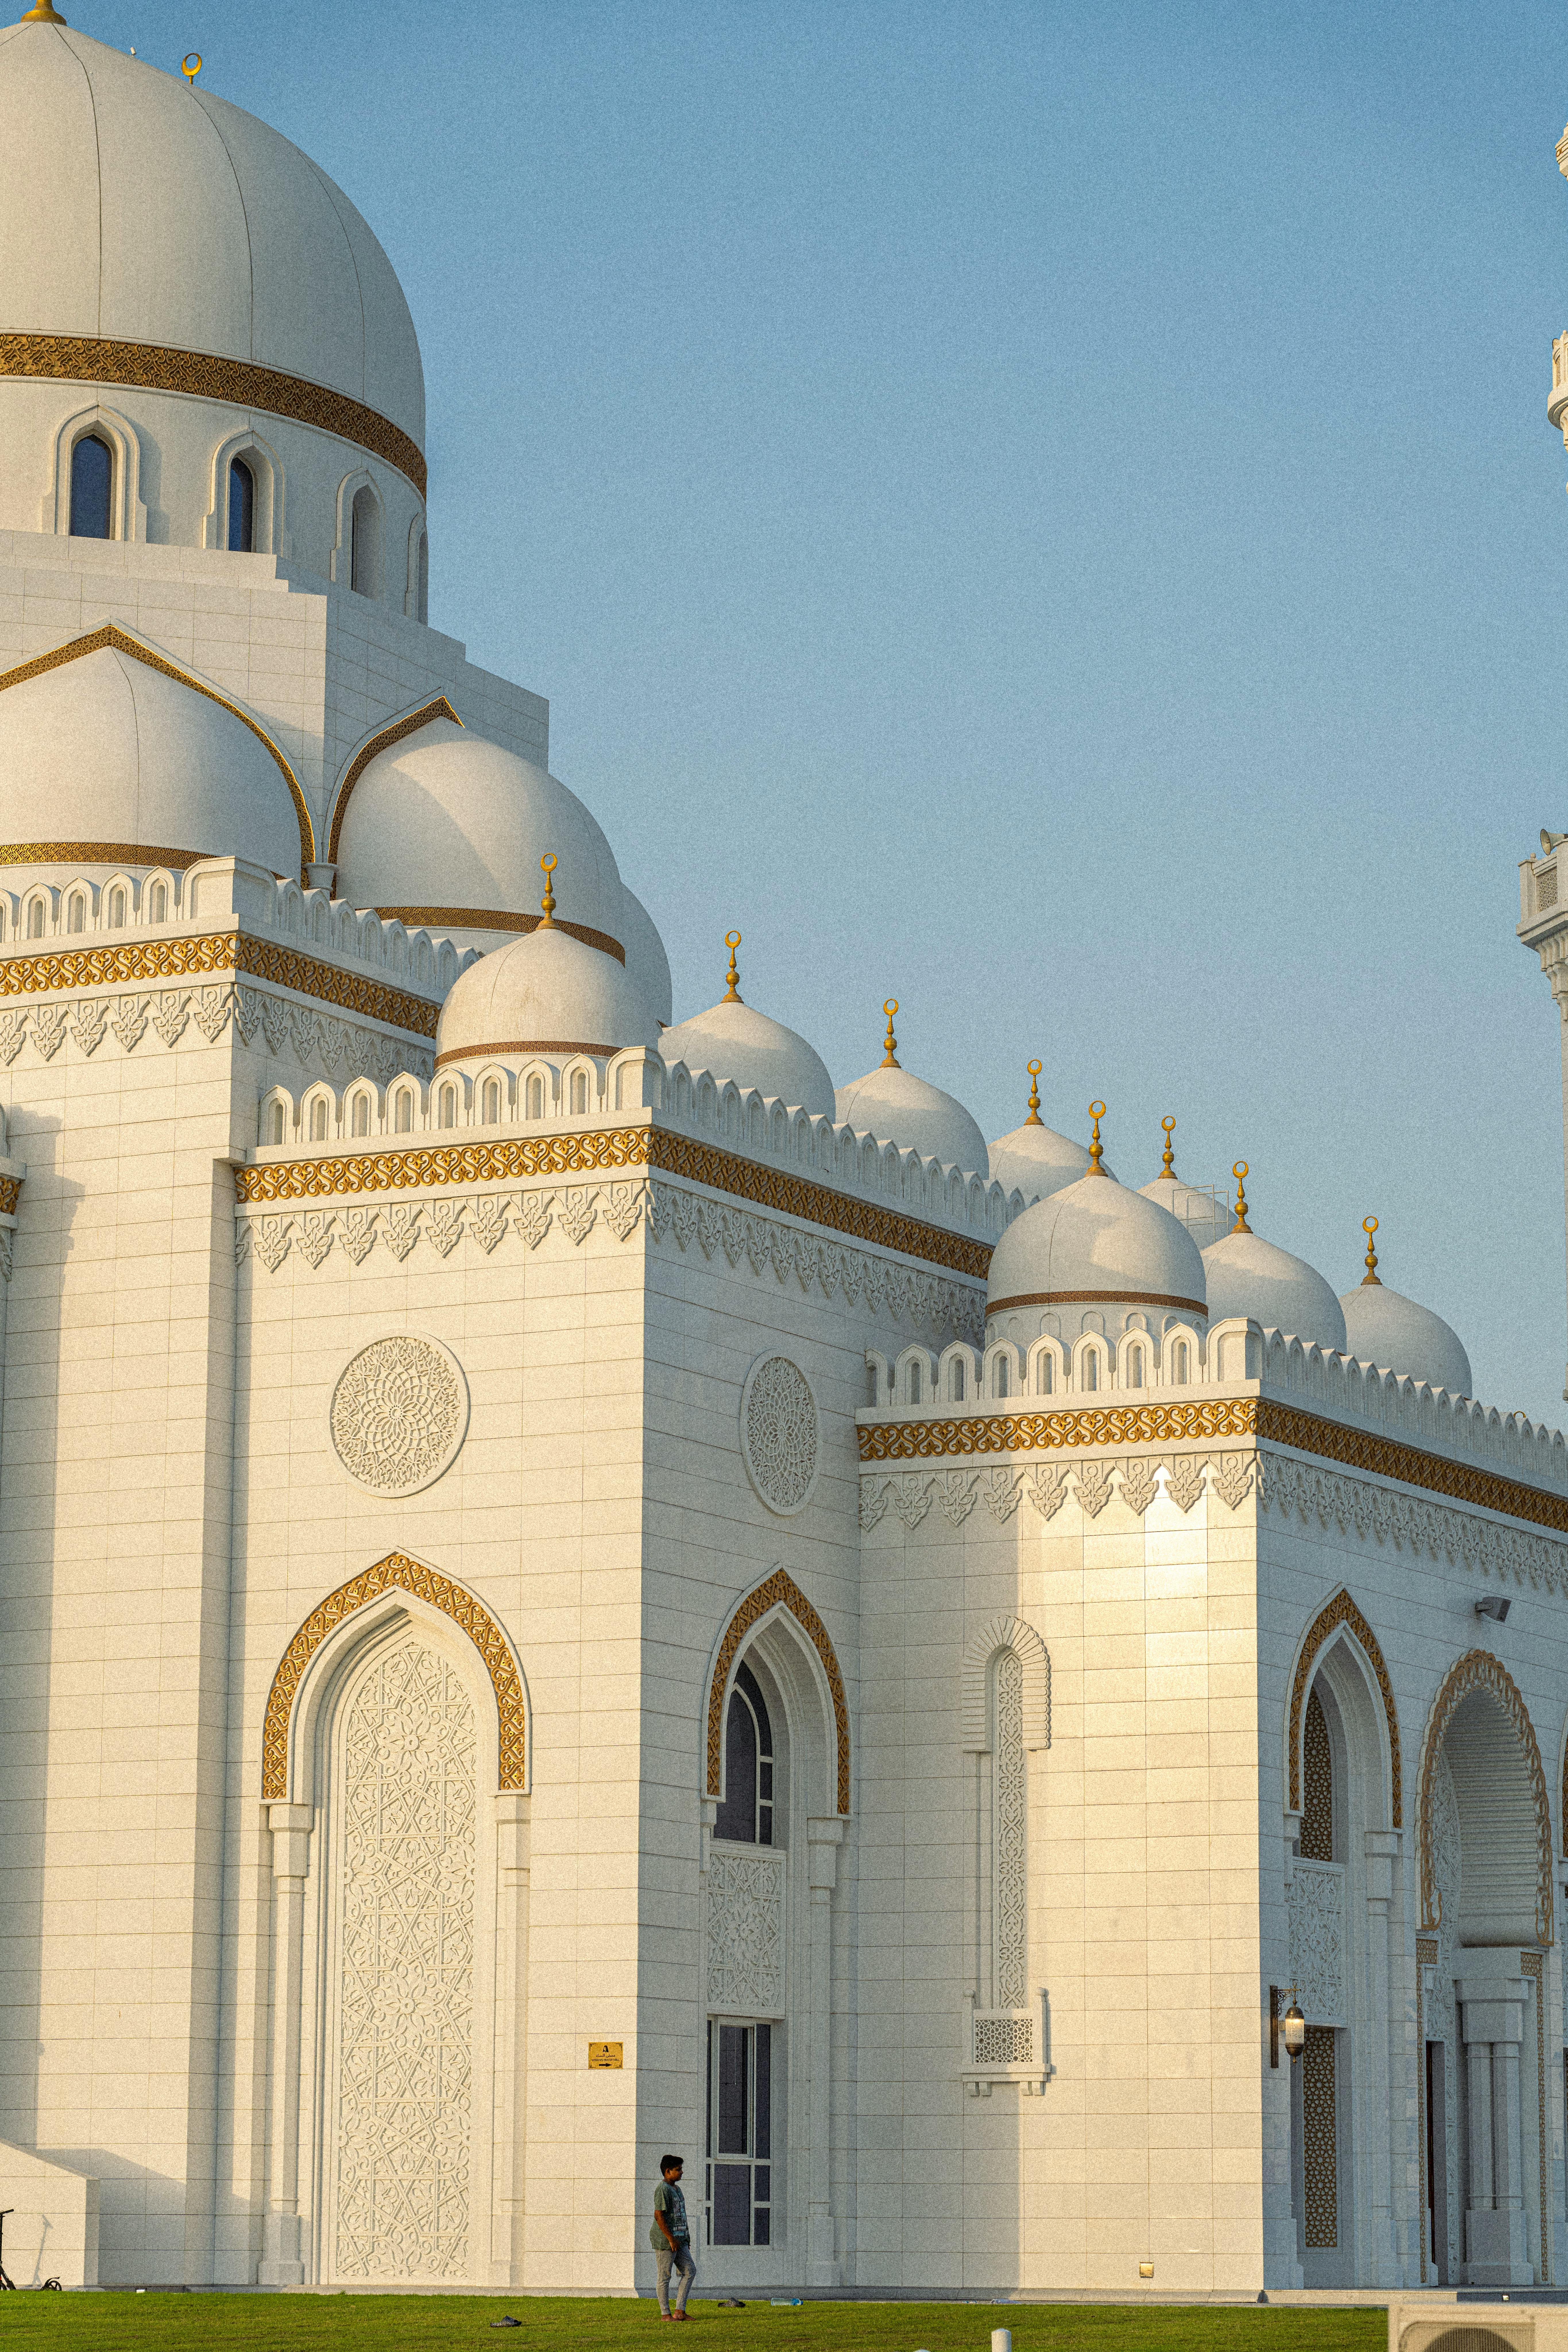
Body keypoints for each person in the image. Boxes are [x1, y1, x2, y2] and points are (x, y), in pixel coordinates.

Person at [650, 2153, 695, 2320]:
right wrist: (670, 2238)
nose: (682, 2172)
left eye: (681, 2169)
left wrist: (686, 2238)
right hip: (666, 2241)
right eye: (678, 2169)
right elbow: (659, 2216)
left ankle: (680, 2312)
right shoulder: (662, 2189)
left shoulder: (677, 2189)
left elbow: (681, 2215)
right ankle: (666, 2314)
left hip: (680, 2240)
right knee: (665, 2277)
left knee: (690, 2271)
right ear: (668, 2171)